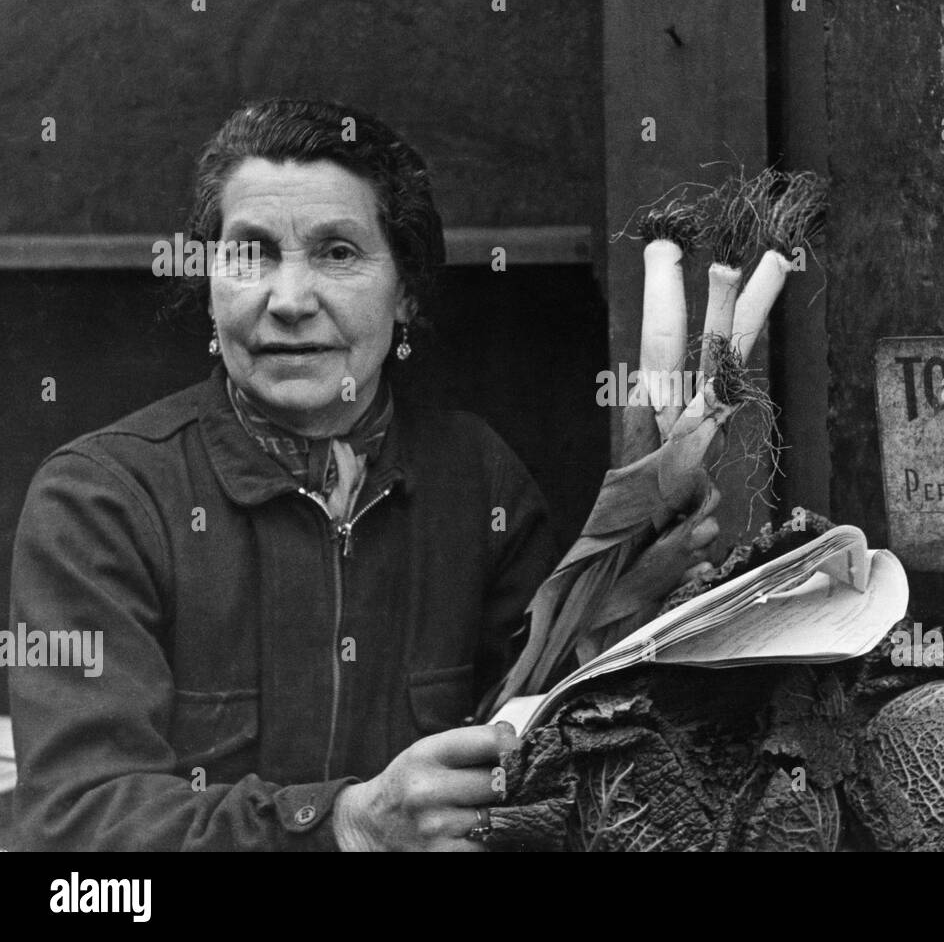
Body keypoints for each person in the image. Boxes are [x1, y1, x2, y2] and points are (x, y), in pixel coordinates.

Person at [7, 98, 715, 851]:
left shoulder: (478, 486)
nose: (287, 302)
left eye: (338, 253)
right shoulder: (102, 500)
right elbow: (70, 840)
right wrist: (343, 826)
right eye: (250, 254)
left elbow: (544, 756)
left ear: (405, 290)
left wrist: (625, 613)